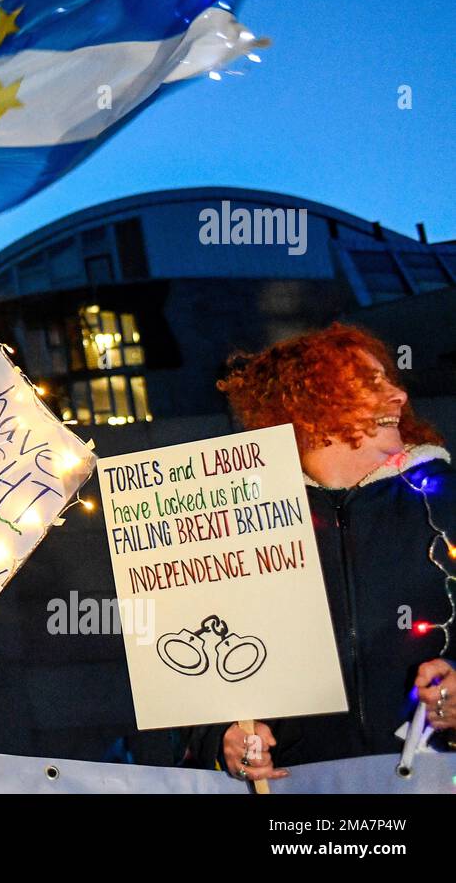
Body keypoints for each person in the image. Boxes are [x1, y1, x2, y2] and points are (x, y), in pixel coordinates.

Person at [182, 323, 456, 780]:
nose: (398, 396)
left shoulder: (444, 506)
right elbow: (184, 670)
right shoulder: (234, 525)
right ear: (309, 405)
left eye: (391, 380)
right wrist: (222, 738)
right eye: (372, 385)